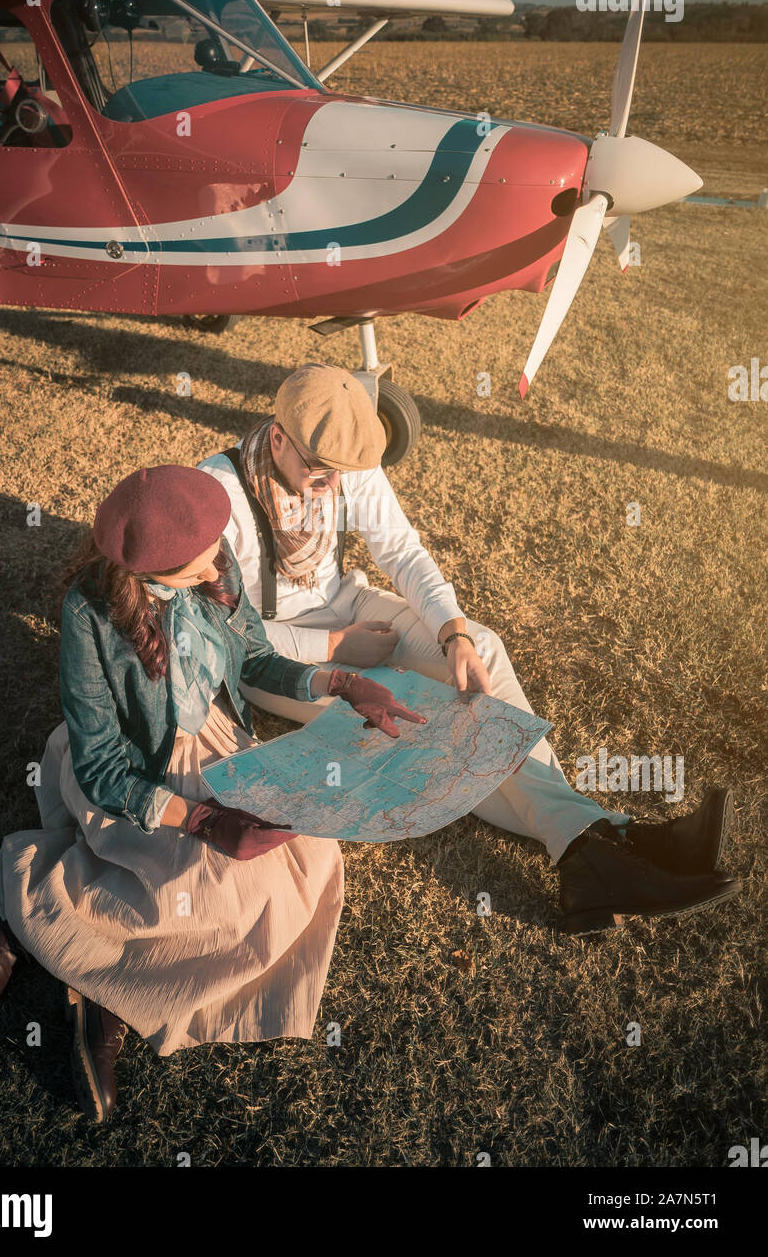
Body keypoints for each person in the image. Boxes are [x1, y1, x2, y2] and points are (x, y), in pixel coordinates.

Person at [196, 364, 742, 936]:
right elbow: (229, 632)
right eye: (319, 472)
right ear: (278, 438)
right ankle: (605, 840)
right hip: (281, 657)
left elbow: (403, 553)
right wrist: (335, 645)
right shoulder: (218, 492)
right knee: (434, 711)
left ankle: (591, 840)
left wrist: (453, 633)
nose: (332, 486)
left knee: (483, 646)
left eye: (340, 475)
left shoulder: (343, 461)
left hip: (348, 603)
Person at [0, 465, 422, 1122]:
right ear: (153, 572)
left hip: (216, 742)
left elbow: (256, 659)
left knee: (305, 860)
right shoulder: (88, 616)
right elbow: (100, 766)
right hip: (136, 770)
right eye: (202, 557)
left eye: (217, 544)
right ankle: (59, 939)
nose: (220, 559)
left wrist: (340, 683)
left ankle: (97, 972)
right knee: (209, 884)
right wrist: (205, 821)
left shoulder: (216, 560)